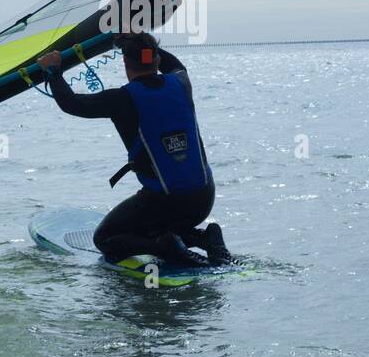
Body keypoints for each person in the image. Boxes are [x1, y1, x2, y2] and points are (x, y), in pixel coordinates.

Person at [36, 32, 231, 267]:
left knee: (105, 239)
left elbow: (71, 103)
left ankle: (163, 246)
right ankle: (205, 237)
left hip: (164, 202)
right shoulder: (181, 82)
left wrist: (54, 71)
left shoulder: (122, 99)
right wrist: (139, 41)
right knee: (157, 222)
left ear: (125, 62)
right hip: (203, 198)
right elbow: (173, 63)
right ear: (157, 61)